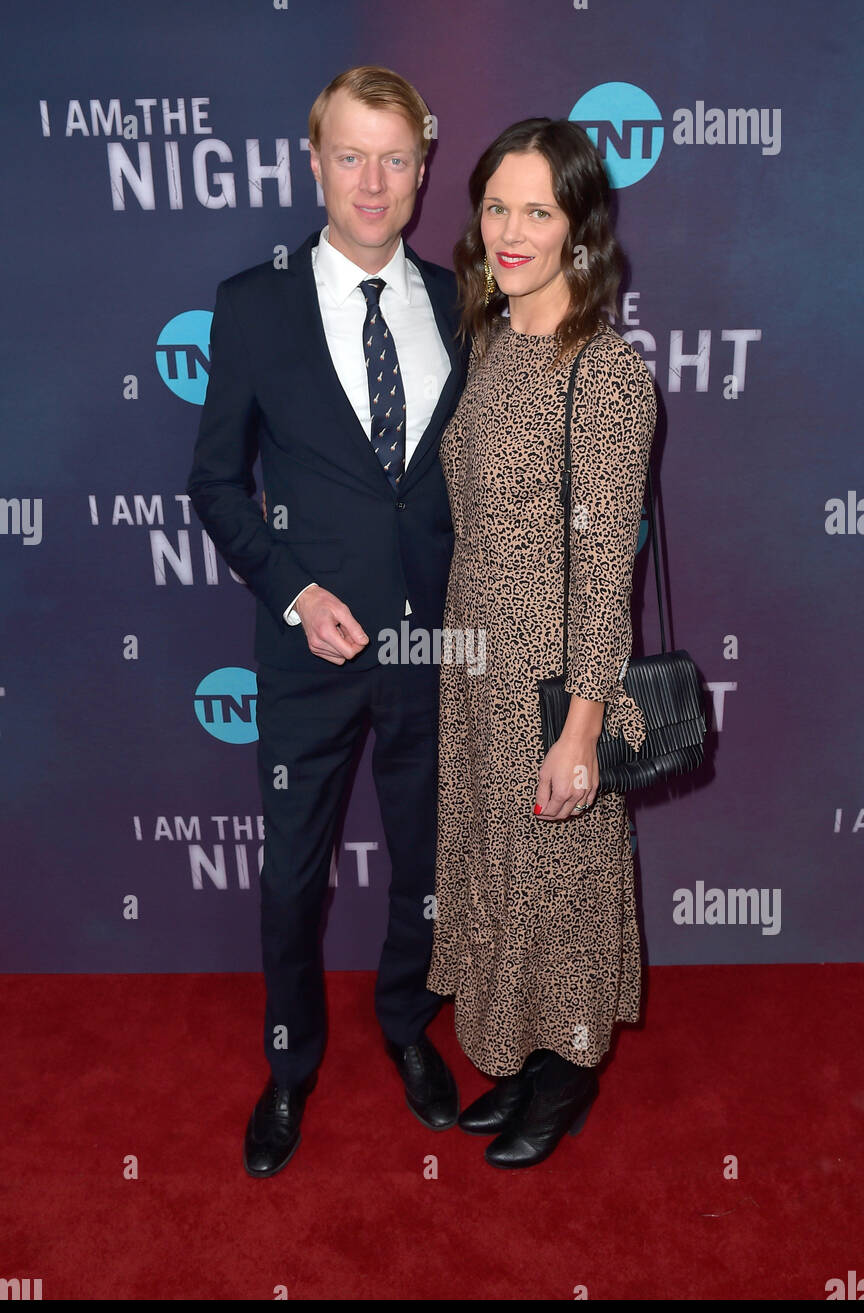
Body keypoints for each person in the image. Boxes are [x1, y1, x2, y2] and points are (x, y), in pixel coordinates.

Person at [187, 66, 468, 1178]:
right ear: (314, 163)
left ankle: (406, 1026)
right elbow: (214, 486)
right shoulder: (252, 303)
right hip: (308, 655)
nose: (372, 181)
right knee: (294, 876)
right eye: (350, 155)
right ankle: (291, 1063)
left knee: (427, 866)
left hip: (439, 652)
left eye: (395, 158)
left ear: (422, 171)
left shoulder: (461, 302)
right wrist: (295, 593)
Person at [427, 117, 657, 1170]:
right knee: (500, 870)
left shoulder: (604, 377)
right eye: (496, 206)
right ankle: (519, 1056)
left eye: (538, 210)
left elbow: (608, 574)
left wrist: (581, 729)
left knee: (559, 880)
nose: (511, 230)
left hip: (555, 681)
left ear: (580, 230)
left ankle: (565, 1077)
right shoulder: (486, 340)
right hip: (474, 668)